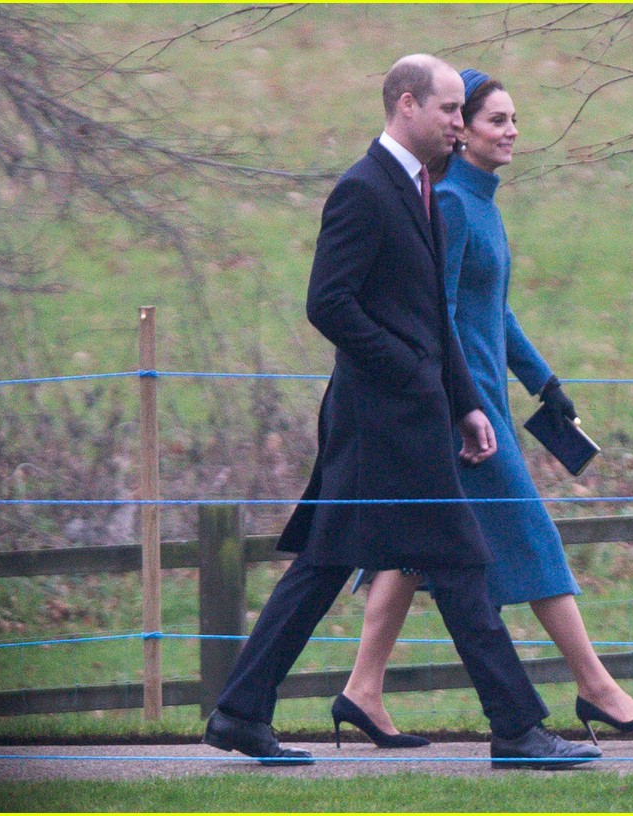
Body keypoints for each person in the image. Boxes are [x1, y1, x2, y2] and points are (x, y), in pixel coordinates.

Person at [201, 54, 601, 770]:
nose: (459, 122)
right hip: (378, 417)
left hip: (411, 413)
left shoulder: (422, 188)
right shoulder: (364, 190)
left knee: (326, 563)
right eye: (451, 110)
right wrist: (414, 377)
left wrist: (466, 404)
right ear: (407, 105)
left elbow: (434, 319)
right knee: (461, 561)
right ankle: (515, 728)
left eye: (460, 112)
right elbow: (328, 303)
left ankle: (238, 711)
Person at [336, 68, 633, 751]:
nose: (510, 131)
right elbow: (443, 316)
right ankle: (596, 687)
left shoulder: (476, 203)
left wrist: (542, 382)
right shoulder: (454, 205)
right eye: (495, 120)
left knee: (411, 551)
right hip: (466, 416)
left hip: (474, 402)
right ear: (461, 135)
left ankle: (361, 692)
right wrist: (461, 405)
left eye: (513, 120)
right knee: (533, 539)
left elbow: (496, 309)